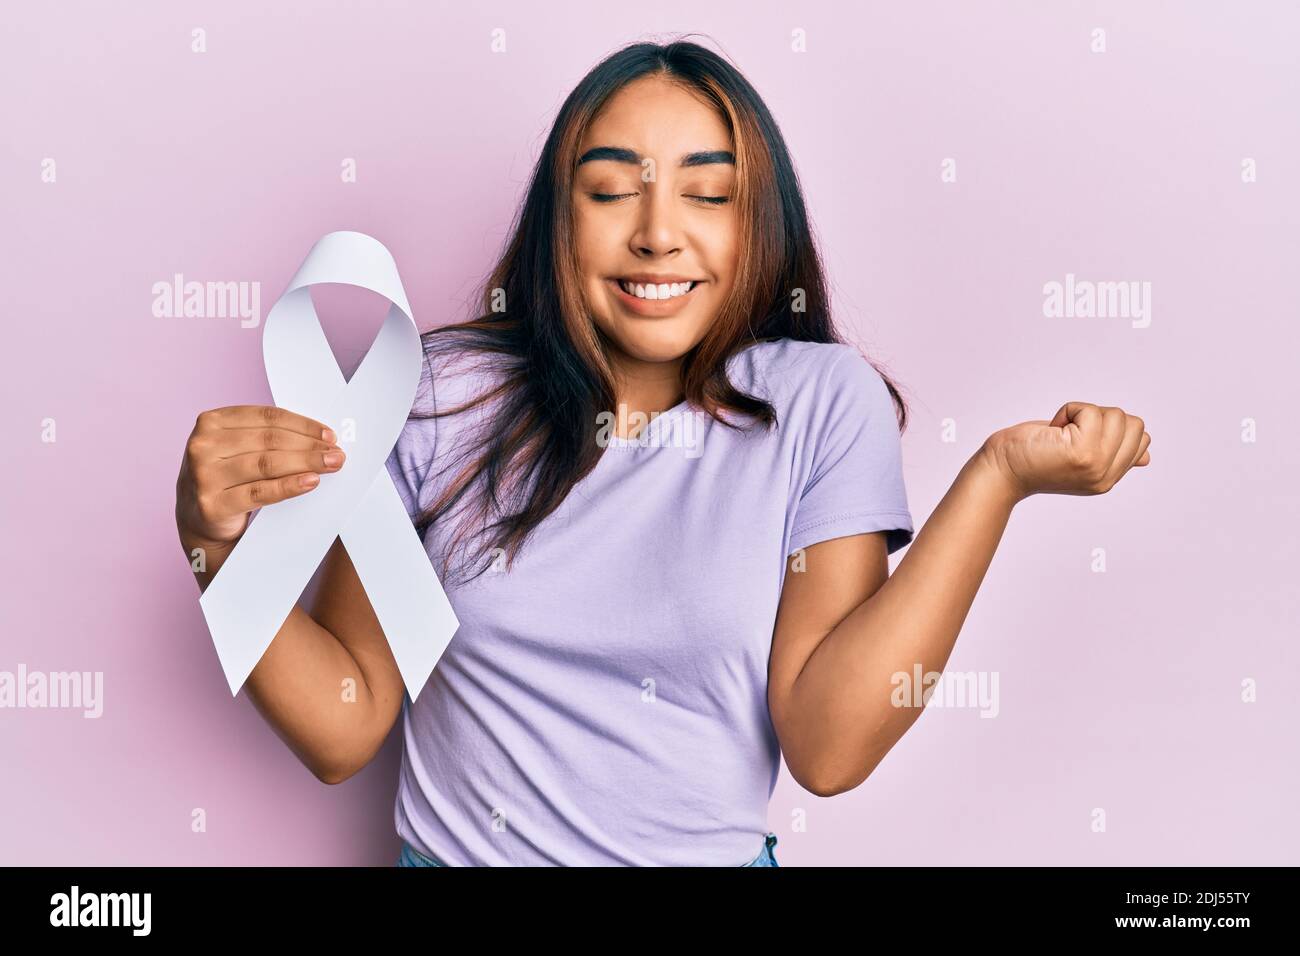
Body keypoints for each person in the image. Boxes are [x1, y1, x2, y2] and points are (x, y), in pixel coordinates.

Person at [174, 39, 1151, 867]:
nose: (656, 233)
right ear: (562, 218)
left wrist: (998, 478)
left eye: (707, 195)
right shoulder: (437, 390)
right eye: (610, 190)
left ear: (755, 224)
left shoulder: (819, 403)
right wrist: (219, 546)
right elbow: (345, 725)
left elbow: (828, 743)